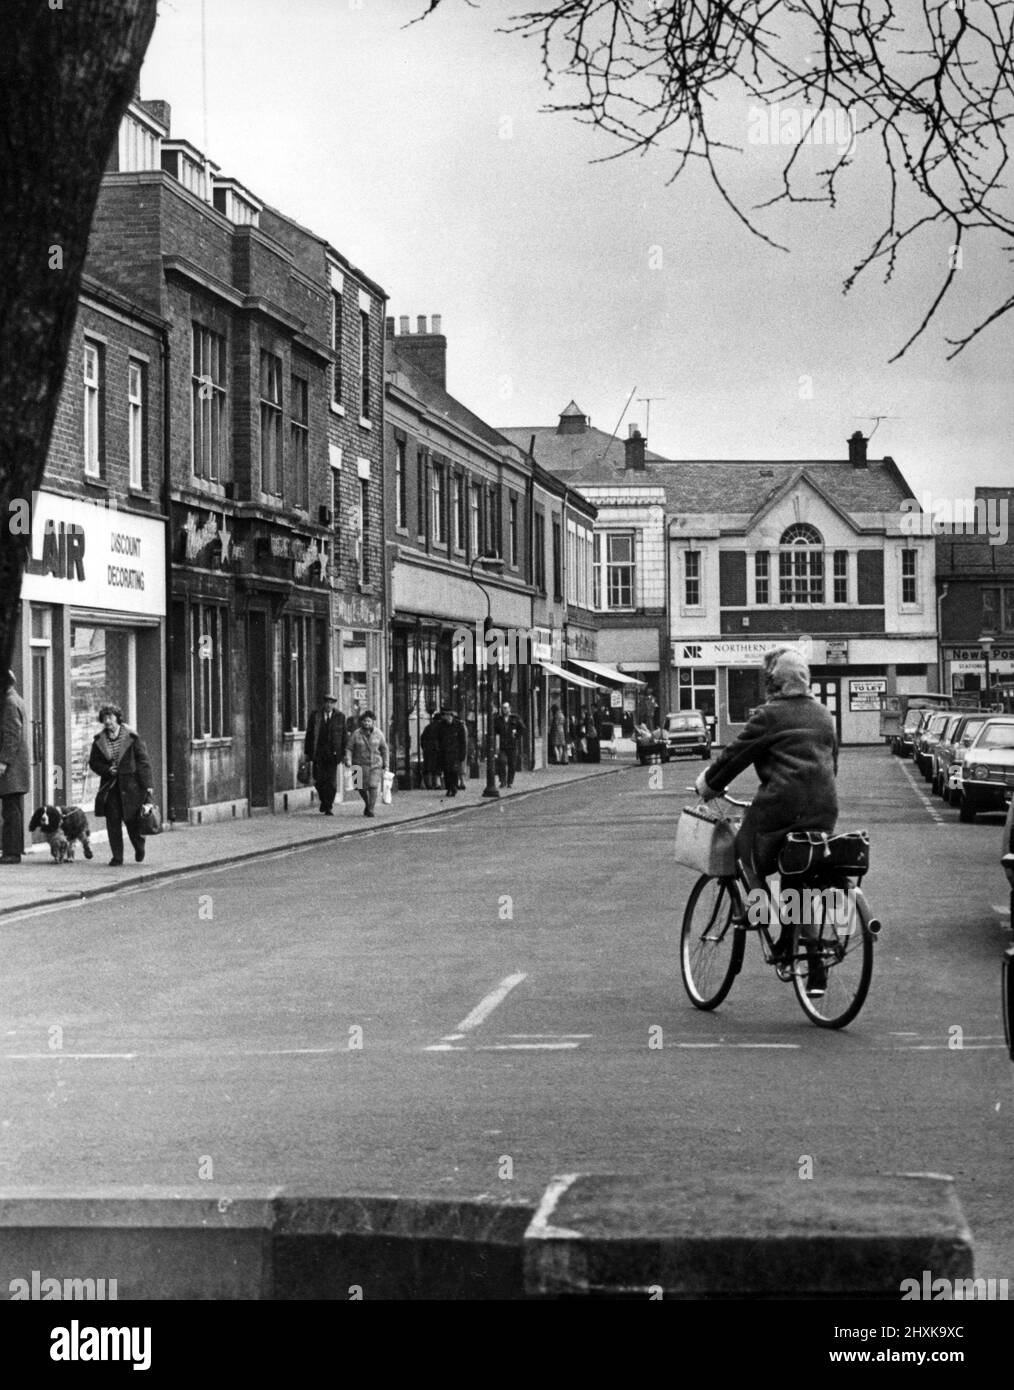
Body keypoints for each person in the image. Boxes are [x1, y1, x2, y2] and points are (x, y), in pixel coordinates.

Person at [694, 648, 838, 990]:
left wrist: (707, 786)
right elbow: (833, 763)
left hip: (781, 806)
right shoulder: (824, 715)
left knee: (743, 852)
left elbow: (734, 757)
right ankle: (812, 961)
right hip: (824, 809)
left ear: (774, 683)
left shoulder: (769, 715)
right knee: (797, 878)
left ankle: (762, 916)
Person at [88, 704, 155, 865]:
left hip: (131, 786)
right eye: (104, 718)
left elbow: (143, 761)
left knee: (132, 821)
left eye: (110, 717)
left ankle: (139, 846)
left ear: (117, 718)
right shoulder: (99, 740)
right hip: (111, 787)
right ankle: (117, 857)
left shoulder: (132, 737)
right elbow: (93, 763)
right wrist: (106, 770)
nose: (107, 721)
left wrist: (147, 785)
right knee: (113, 822)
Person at [0, 671, 30, 865]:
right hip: (16, 768)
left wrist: (3, 762)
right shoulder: (15, 699)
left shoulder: (9, 703)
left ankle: (12, 852)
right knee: (13, 809)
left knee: (11, 811)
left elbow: (11, 735)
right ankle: (12, 850)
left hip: (11, 769)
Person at [304, 694, 347, 815]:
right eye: (327, 702)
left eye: (331, 703)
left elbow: (344, 736)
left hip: (333, 754)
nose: (329, 705)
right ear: (324, 703)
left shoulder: (340, 716)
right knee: (318, 779)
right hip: (318, 752)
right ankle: (324, 800)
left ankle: (328, 806)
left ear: (334, 704)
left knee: (331, 782)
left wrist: (343, 754)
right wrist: (307, 753)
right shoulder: (315, 715)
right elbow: (309, 735)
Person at [344, 709, 388, 817]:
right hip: (357, 765)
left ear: (373, 722)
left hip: (375, 764)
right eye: (364, 721)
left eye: (369, 721)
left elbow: (384, 749)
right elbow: (349, 748)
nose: (366, 723)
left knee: (373, 786)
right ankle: (367, 803)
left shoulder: (378, 733)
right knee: (359, 787)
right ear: (361, 722)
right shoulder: (356, 734)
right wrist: (348, 759)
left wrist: (386, 763)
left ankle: (371, 809)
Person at [494, 701, 526, 788]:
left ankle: (510, 782)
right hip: (502, 745)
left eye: (506, 708)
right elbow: (495, 732)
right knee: (502, 762)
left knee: (512, 764)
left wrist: (516, 736)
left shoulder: (515, 718)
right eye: (503, 708)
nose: (504, 710)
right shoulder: (498, 719)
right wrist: (496, 745)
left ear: (509, 708)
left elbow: (522, 728)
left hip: (512, 745)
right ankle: (503, 781)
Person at [435, 707, 467, 798]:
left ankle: (453, 788)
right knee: (447, 772)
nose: (447, 717)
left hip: (455, 753)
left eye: (449, 715)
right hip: (444, 753)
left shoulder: (458, 726)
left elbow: (463, 742)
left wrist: (462, 754)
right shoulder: (441, 726)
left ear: (452, 716)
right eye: (446, 715)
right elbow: (438, 739)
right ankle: (449, 788)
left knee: (454, 771)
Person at [420, 712, 440, 790]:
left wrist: (424, 748)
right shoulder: (439, 728)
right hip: (436, 750)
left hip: (428, 750)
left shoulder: (428, 727)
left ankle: (429, 784)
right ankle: (436, 784)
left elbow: (422, 739)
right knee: (436, 768)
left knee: (428, 768)